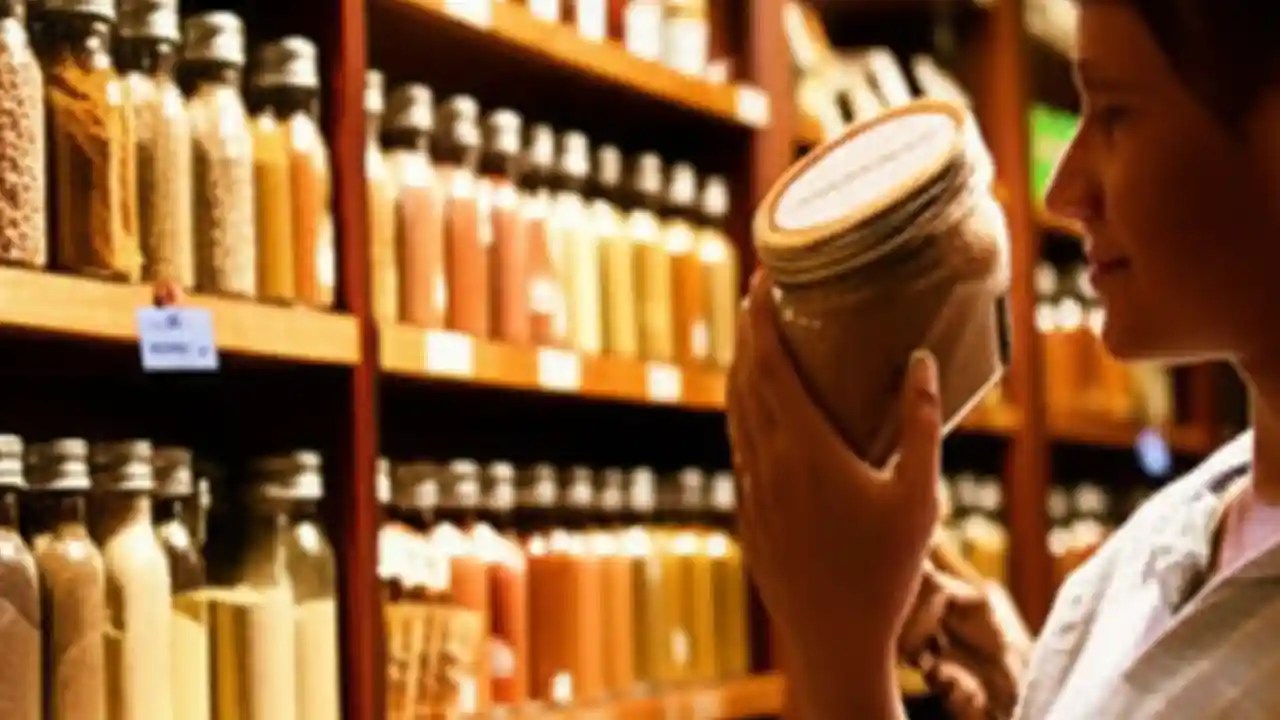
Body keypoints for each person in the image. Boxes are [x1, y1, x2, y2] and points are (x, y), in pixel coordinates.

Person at [726, 1, 1280, 718]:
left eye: (1115, 114)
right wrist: (1048, 693)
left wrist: (841, 661)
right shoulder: (1199, 515)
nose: (1064, 191)